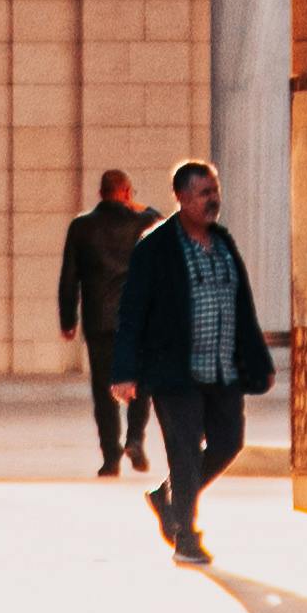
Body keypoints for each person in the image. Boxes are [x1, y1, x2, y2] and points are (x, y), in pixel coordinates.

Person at [109, 156, 270, 568]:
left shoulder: (223, 243)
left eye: (214, 192)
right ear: (180, 197)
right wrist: (124, 371)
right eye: (203, 194)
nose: (212, 200)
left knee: (229, 442)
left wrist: (258, 359)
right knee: (183, 451)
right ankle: (186, 534)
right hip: (174, 372)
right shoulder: (155, 248)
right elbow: (132, 311)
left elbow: (242, 305)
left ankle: (169, 497)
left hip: (222, 369)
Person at [56, 167, 155, 479]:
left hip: (99, 320)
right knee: (140, 380)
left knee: (103, 389)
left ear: (100, 194)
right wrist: (145, 209)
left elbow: (69, 277)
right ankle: (135, 438)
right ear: (127, 192)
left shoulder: (81, 226)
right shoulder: (145, 221)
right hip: (138, 318)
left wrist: (68, 318)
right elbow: (167, 230)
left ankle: (110, 457)